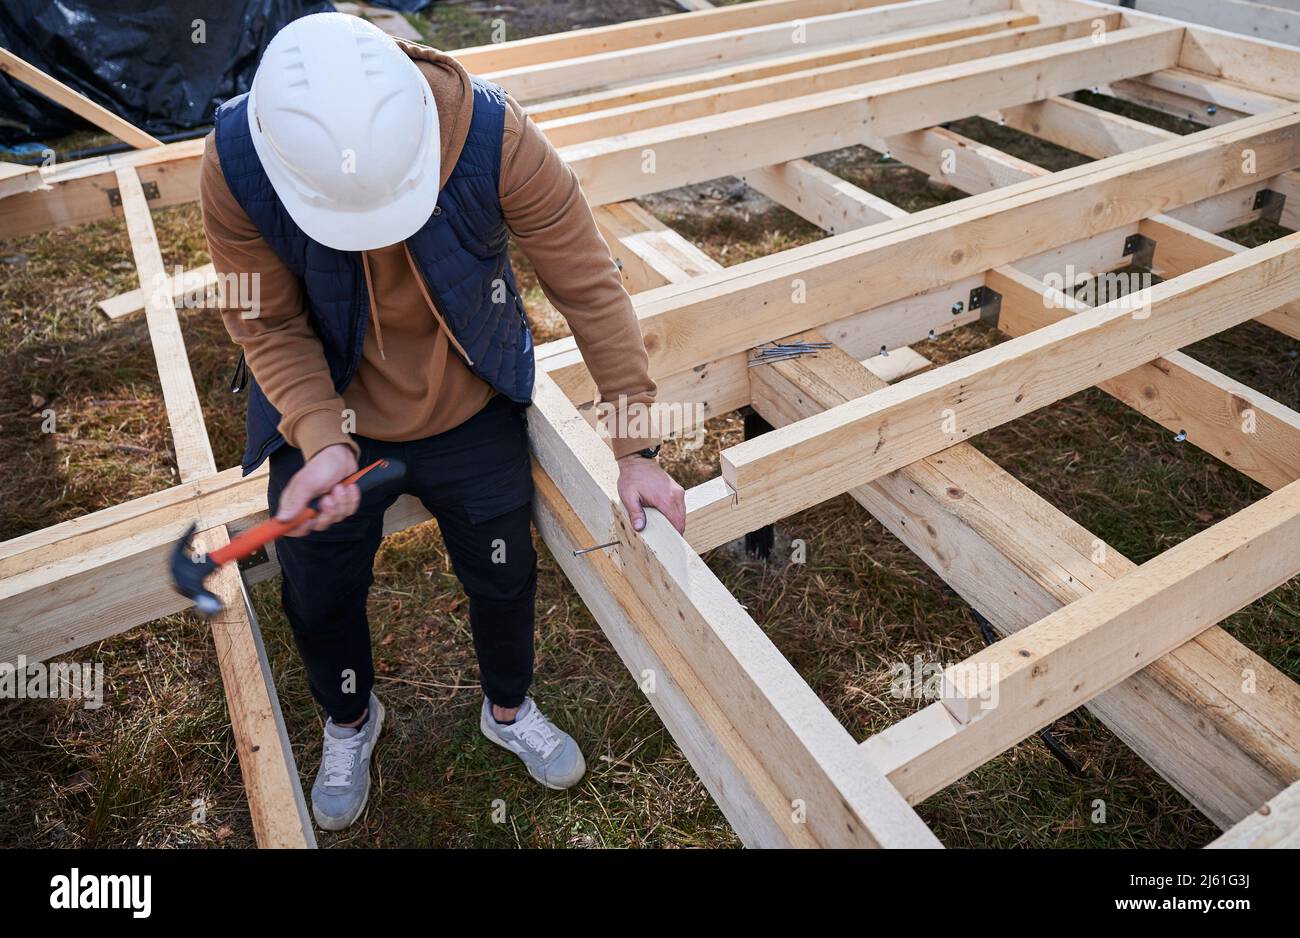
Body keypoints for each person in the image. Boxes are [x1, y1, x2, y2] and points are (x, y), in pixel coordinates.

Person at [200, 12, 685, 831]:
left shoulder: (494, 133)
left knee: (502, 571)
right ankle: (350, 720)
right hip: (333, 408)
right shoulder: (238, 161)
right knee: (317, 586)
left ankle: (507, 709)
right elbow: (264, 323)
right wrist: (320, 440)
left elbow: (589, 285)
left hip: (470, 399)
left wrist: (636, 445)